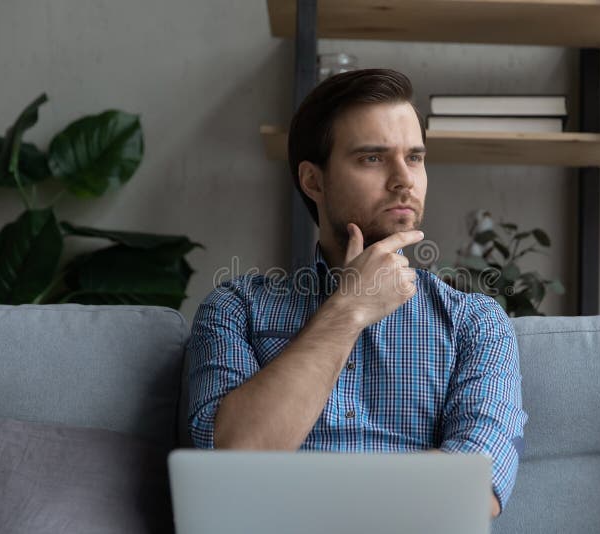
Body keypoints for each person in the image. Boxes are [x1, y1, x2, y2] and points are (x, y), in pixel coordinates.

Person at [186, 68, 528, 518]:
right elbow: (229, 463)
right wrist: (348, 310)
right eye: (372, 158)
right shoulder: (236, 309)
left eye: (416, 158)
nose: (404, 179)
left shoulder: (476, 321)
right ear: (314, 181)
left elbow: (475, 488)